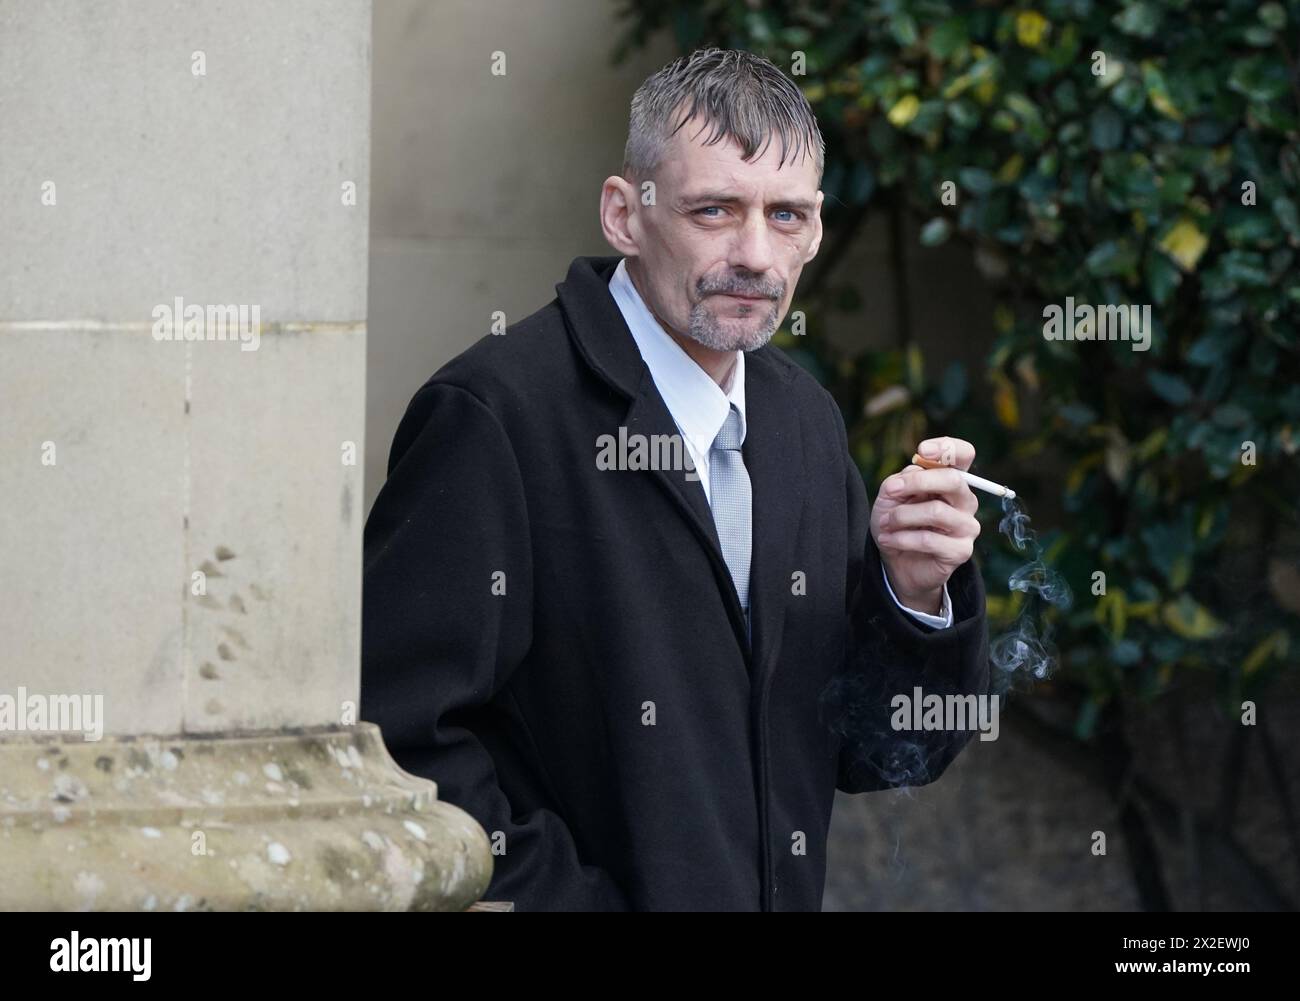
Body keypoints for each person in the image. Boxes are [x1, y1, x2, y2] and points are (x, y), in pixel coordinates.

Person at [361, 47, 989, 911]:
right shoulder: (495, 414)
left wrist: (915, 597)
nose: (757, 256)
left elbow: (873, 752)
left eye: (789, 216)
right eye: (715, 210)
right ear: (625, 214)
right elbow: (398, 739)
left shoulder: (805, 421)